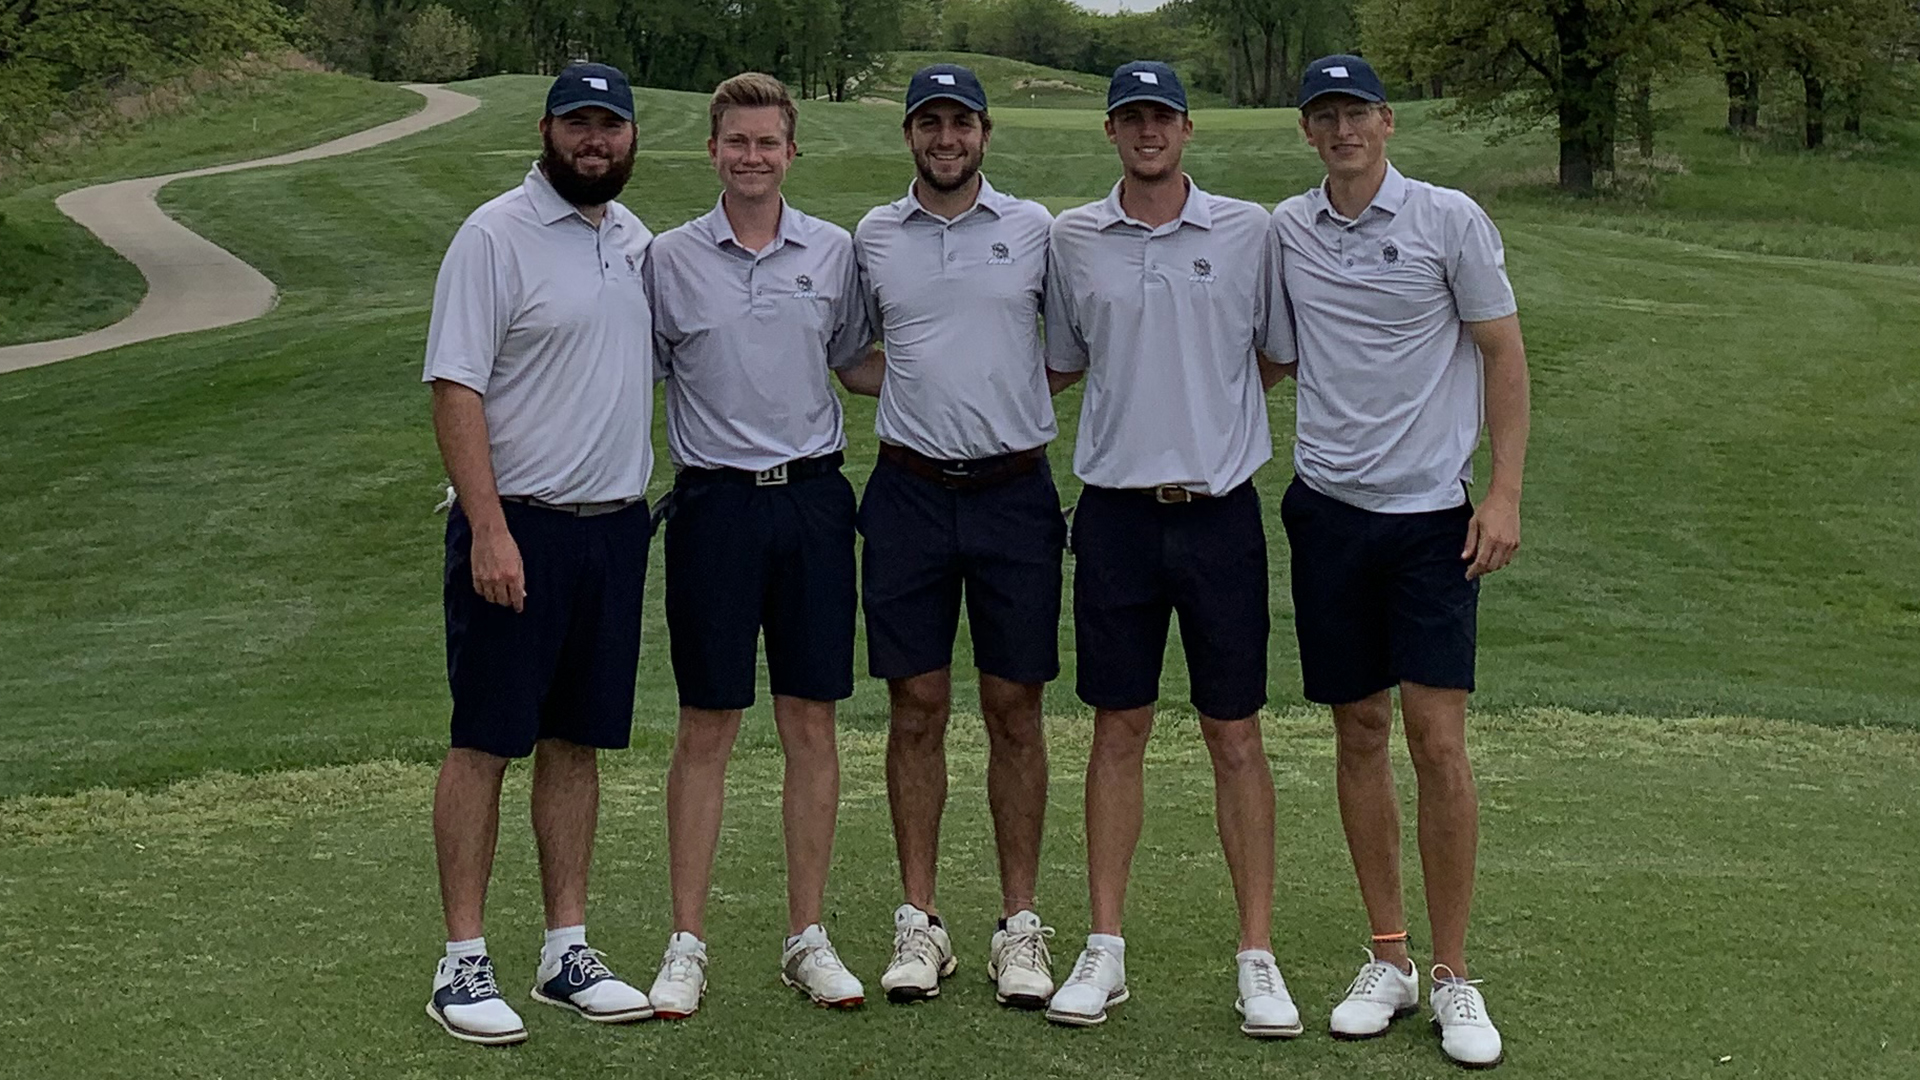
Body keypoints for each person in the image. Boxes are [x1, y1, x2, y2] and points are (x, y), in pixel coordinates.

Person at [1271, 53, 1531, 1070]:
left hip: (1432, 519)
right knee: (1359, 730)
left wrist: (1503, 492)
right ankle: (1389, 957)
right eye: (1323, 116)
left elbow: (1503, 352)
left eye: (1355, 114)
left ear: (1387, 122)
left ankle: (1456, 973)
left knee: (1435, 737)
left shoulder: (1448, 220)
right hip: (1329, 513)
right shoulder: (1289, 230)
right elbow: (1270, 356)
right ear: (1309, 131)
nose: (1341, 131)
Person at [1040, 60, 1301, 1037]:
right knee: (1119, 730)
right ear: (1111, 131)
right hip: (1113, 516)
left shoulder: (1248, 233)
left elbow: (1274, 355)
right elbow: (1065, 360)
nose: (1148, 131)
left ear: (1188, 129)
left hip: (1221, 514)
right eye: (1131, 118)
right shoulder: (1075, 237)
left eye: (1163, 117)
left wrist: (1206, 427)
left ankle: (1257, 957)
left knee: (1236, 735)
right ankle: (1104, 947)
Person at [420, 62, 658, 1045]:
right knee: (487, 739)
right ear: (546, 131)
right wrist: (488, 528)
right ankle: (461, 964)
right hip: (518, 527)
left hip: (615, 526)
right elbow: (454, 386)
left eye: (609, 126)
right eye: (577, 126)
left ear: (632, 138)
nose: (593, 142)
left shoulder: (636, 241)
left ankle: (565, 950)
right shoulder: (494, 236)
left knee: (577, 741)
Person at [641, 71, 871, 1017]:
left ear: (790, 150)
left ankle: (805, 936)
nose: (752, 157)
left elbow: (859, 367)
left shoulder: (836, 250)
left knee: (810, 724)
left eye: (768, 142)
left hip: (813, 505)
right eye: (736, 142)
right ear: (712, 151)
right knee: (707, 726)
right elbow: (628, 378)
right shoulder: (667, 259)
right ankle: (686, 941)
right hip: (714, 512)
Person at [848, 63, 1065, 1009]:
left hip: (1015, 496)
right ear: (909, 137)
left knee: (1016, 708)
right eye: (928, 123)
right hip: (908, 493)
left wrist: (1001, 399)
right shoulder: (873, 237)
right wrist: (921, 390)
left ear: (985, 134)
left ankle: (1019, 926)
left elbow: (1069, 349)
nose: (945, 139)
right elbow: (851, 355)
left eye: (961, 123)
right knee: (917, 707)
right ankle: (919, 920)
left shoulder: (1035, 231)